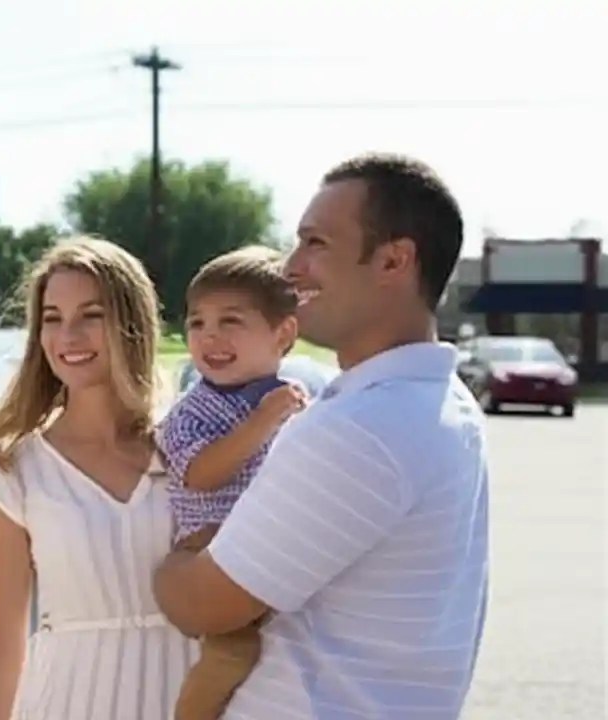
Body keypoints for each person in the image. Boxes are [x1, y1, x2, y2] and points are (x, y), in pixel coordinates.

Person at [152, 153, 490, 719]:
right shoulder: (444, 404)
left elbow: (203, 607)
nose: (291, 265)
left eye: (316, 243)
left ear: (393, 260)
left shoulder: (360, 431)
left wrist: (171, 565)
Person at [0, 236, 198, 720]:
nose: (67, 336)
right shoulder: (16, 475)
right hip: (70, 702)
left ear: (130, 323)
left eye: (90, 316)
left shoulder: (190, 450)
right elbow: (2, 640)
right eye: (52, 318)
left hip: (187, 694)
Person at [154, 245, 306, 720]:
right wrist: (262, 423)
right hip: (210, 552)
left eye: (230, 322)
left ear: (283, 334)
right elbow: (199, 475)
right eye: (197, 323)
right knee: (232, 654)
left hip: (266, 550)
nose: (209, 337)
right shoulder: (193, 412)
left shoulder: (290, 396)